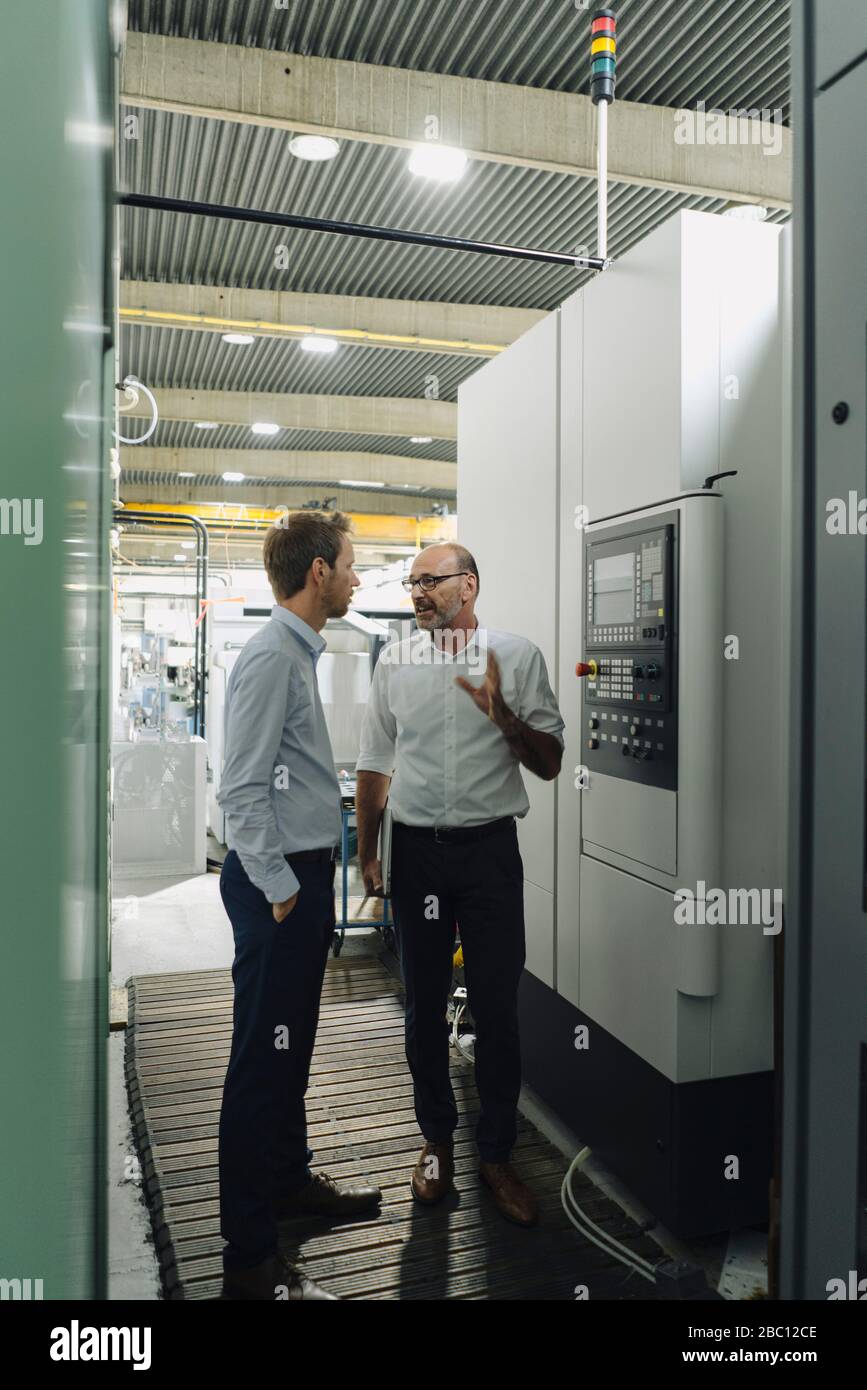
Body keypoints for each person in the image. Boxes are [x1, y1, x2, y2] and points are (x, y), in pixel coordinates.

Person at [355, 543, 564, 1227]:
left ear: (467, 586)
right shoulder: (395, 662)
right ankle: (437, 1144)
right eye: (412, 582)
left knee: (498, 1008)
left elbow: (551, 762)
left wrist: (505, 718)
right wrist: (367, 850)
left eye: (431, 581)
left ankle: (497, 1154)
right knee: (423, 1003)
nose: (418, 592)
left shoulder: (517, 656)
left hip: (488, 855)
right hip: (417, 854)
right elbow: (375, 760)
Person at [217, 510, 380, 1302]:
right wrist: (282, 891)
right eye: (351, 566)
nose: (357, 579)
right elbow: (240, 791)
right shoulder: (272, 659)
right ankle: (250, 1258)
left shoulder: (294, 653)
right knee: (260, 1067)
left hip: (298, 882)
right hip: (277, 886)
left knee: (288, 1053)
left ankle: (284, 1182)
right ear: (317, 572)